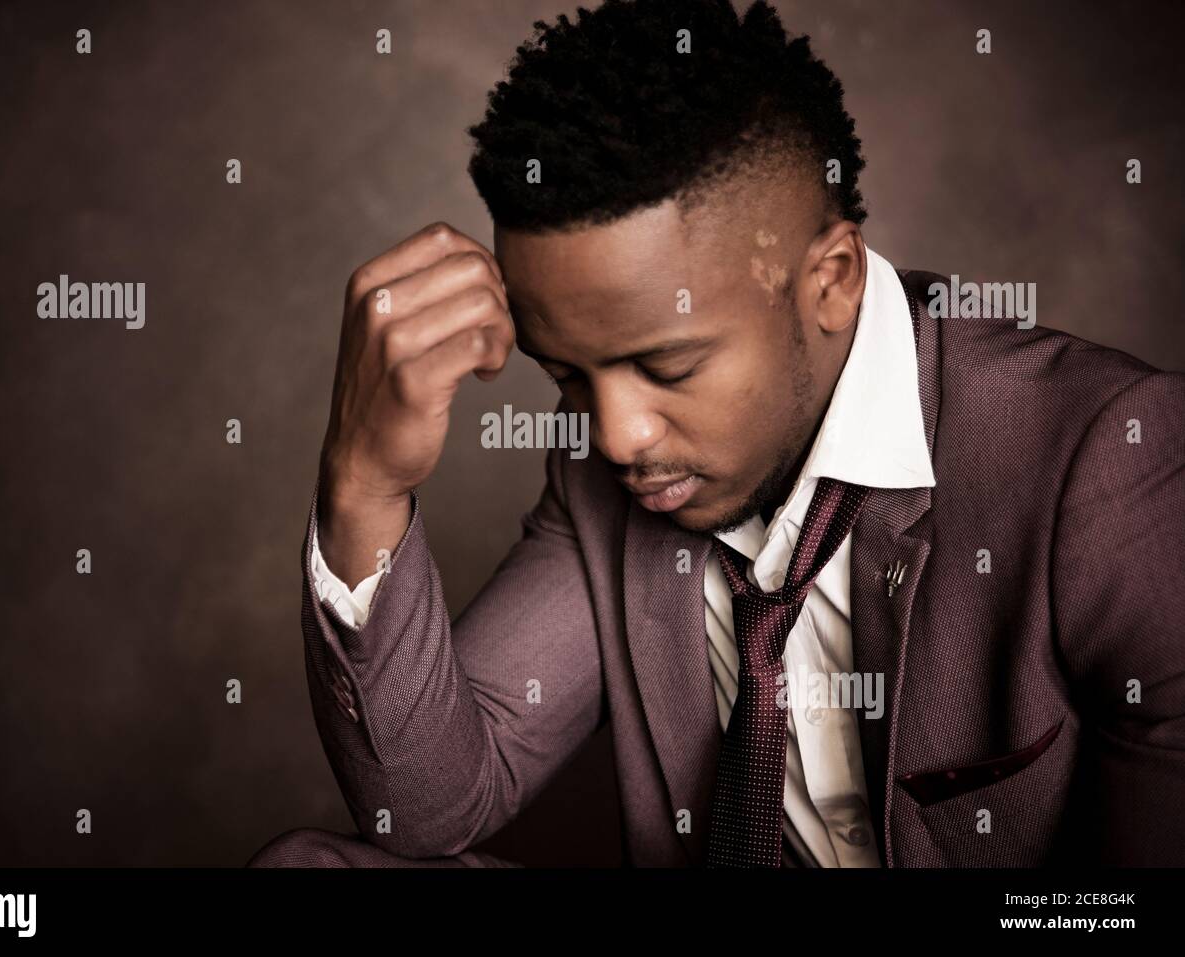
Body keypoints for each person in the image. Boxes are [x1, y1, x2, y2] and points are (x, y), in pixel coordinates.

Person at [249, 0, 1185, 868]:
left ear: (832, 280)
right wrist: (363, 481)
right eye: (567, 373)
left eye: (669, 366)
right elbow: (423, 808)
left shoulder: (1105, 458)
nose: (615, 435)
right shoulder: (602, 480)